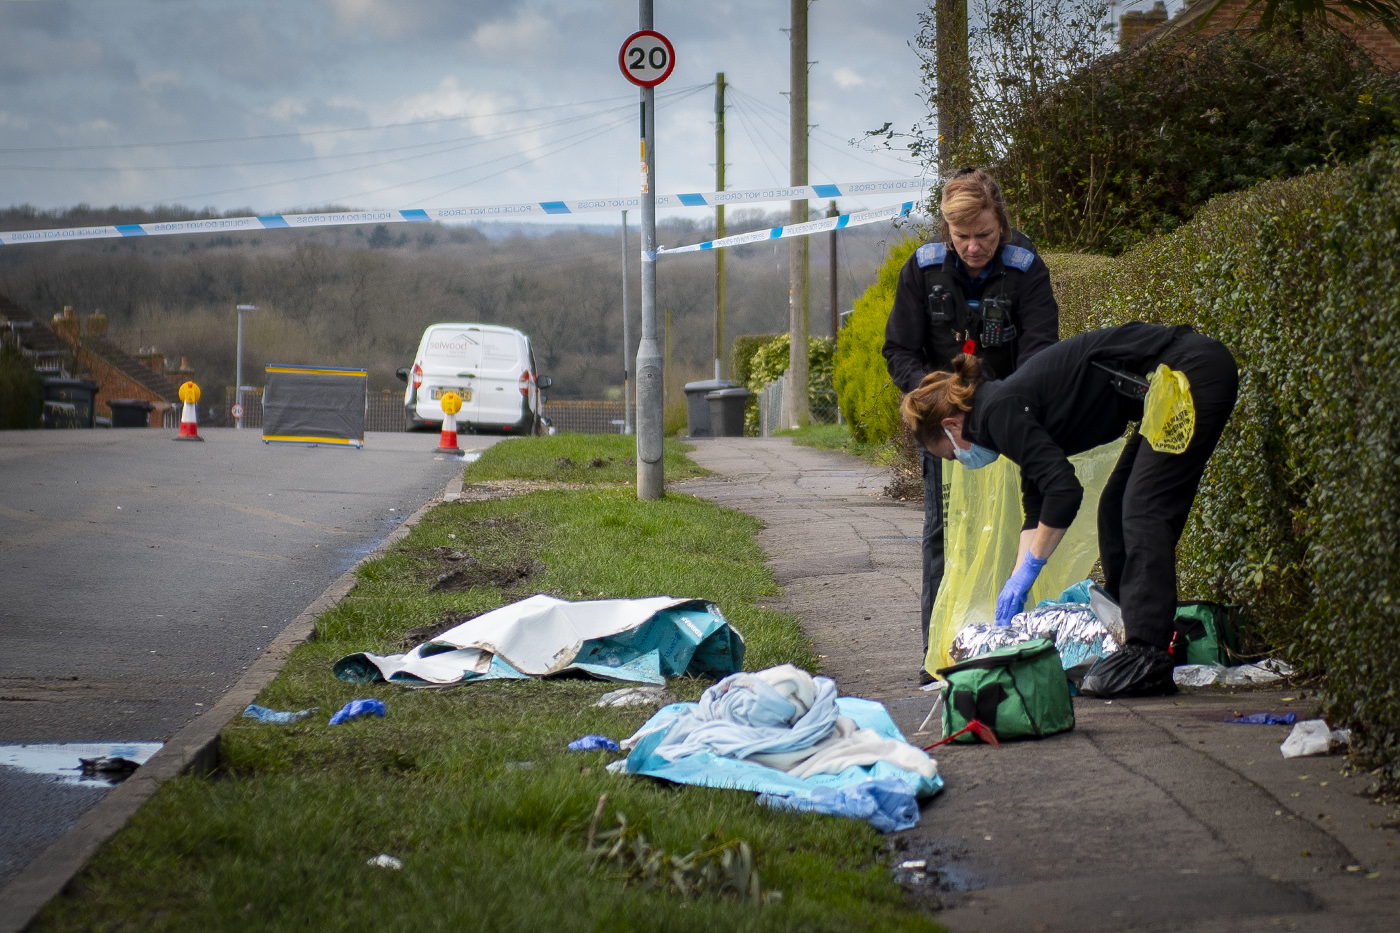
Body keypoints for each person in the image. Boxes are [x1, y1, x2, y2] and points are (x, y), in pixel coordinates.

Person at [900, 322, 1239, 697]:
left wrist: (1033, 566)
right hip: (1174, 380)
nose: (962, 461)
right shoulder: (998, 410)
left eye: (952, 455)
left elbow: (1064, 491)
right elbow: (1038, 501)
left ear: (951, 426)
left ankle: (1148, 653)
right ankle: (1126, 630)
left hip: (1189, 373)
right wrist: (1016, 581)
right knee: (1114, 508)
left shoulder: (996, 412)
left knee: (1143, 510)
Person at [882, 168, 1059, 680]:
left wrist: (999, 403)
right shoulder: (923, 269)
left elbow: (1041, 351)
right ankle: (938, 655)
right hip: (945, 427)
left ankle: (1013, 646)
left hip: (1010, 418)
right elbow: (899, 350)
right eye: (961, 237)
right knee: (942, 534)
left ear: (1000, 222)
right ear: (946, 230)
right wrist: (939, 399)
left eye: (984, 235)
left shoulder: (1028, 270)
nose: (973, 247)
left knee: (1014, 531)